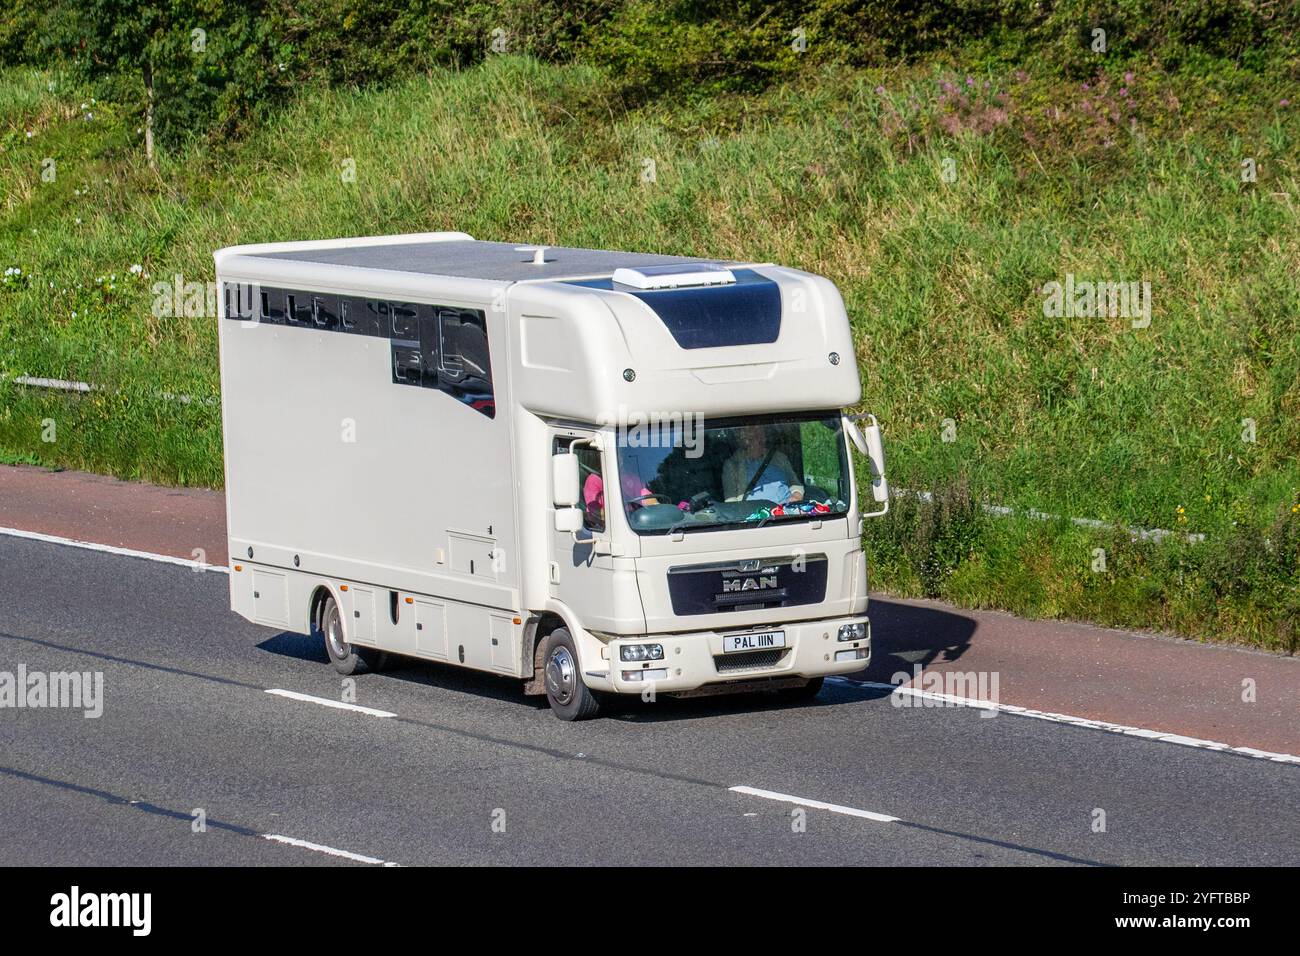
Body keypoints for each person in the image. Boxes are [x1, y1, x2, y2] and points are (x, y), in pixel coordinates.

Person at [723, 425, 804, 503]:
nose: (757, 442)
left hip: (786, 510)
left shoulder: (779, 457)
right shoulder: (732, 465)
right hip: (754, 514)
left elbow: (795, 484)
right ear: (742, 440)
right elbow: (730, 501)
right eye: (751, 438)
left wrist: (796, 496)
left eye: (759, 436)